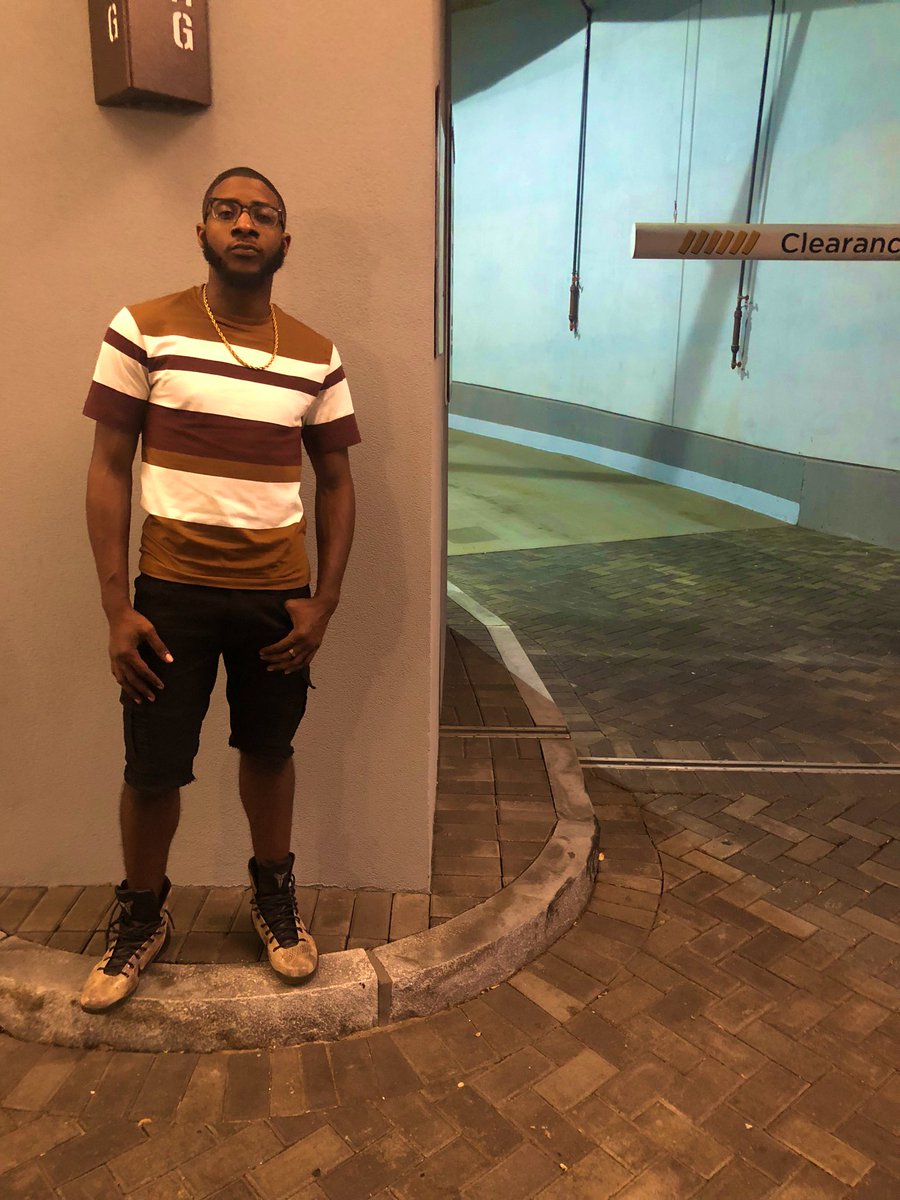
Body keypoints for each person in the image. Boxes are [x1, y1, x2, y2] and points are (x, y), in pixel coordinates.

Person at [80, 167, 360, 1013]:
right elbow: (107, 469)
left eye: (263, 215)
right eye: (227, 211)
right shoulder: (143, 330)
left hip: (277, 601)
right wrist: (116, 607)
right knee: (152, 769)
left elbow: (338, 483)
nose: (245, 224)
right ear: (201, 231)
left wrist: (324, 601)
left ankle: (273, 900)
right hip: (169, 598)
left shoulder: (316, 354)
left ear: (284, 241)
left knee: (270, 753)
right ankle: (141, 917)